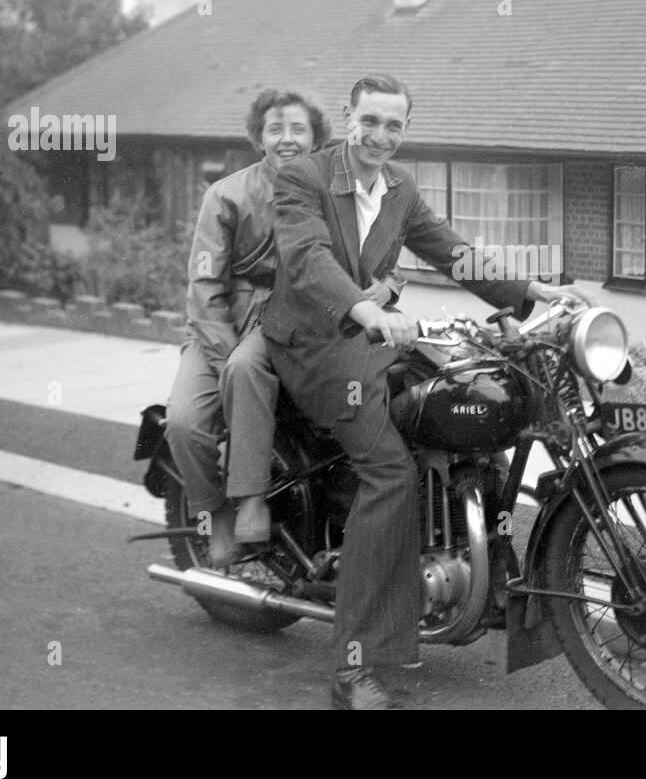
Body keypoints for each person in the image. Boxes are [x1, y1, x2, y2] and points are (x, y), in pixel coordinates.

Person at [261, 72, 589, 708]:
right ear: (347, 117)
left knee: (467, 408)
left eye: (395, 125)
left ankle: (468, 573)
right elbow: (305, 261)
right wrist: (364, 309)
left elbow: (453, 254)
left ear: (405, 129)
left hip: (374, 337)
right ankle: (354, 667)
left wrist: (527, 294)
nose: (381, 135)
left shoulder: (400, 189)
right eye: (370, 121)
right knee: (390, 474)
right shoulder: (303, 176)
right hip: (313, 342)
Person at [164, 89, 400, 566]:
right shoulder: (225, 195)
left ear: (316, 138)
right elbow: (205, 285)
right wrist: (221, 352)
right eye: (276, 129)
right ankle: (217, 514)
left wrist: (383, 293)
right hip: (224, 321)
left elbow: (382, 263)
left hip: (300, 317)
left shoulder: (338, 191)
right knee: (184, 422)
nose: (287, 140)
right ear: (258, 138)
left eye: (299, 130)